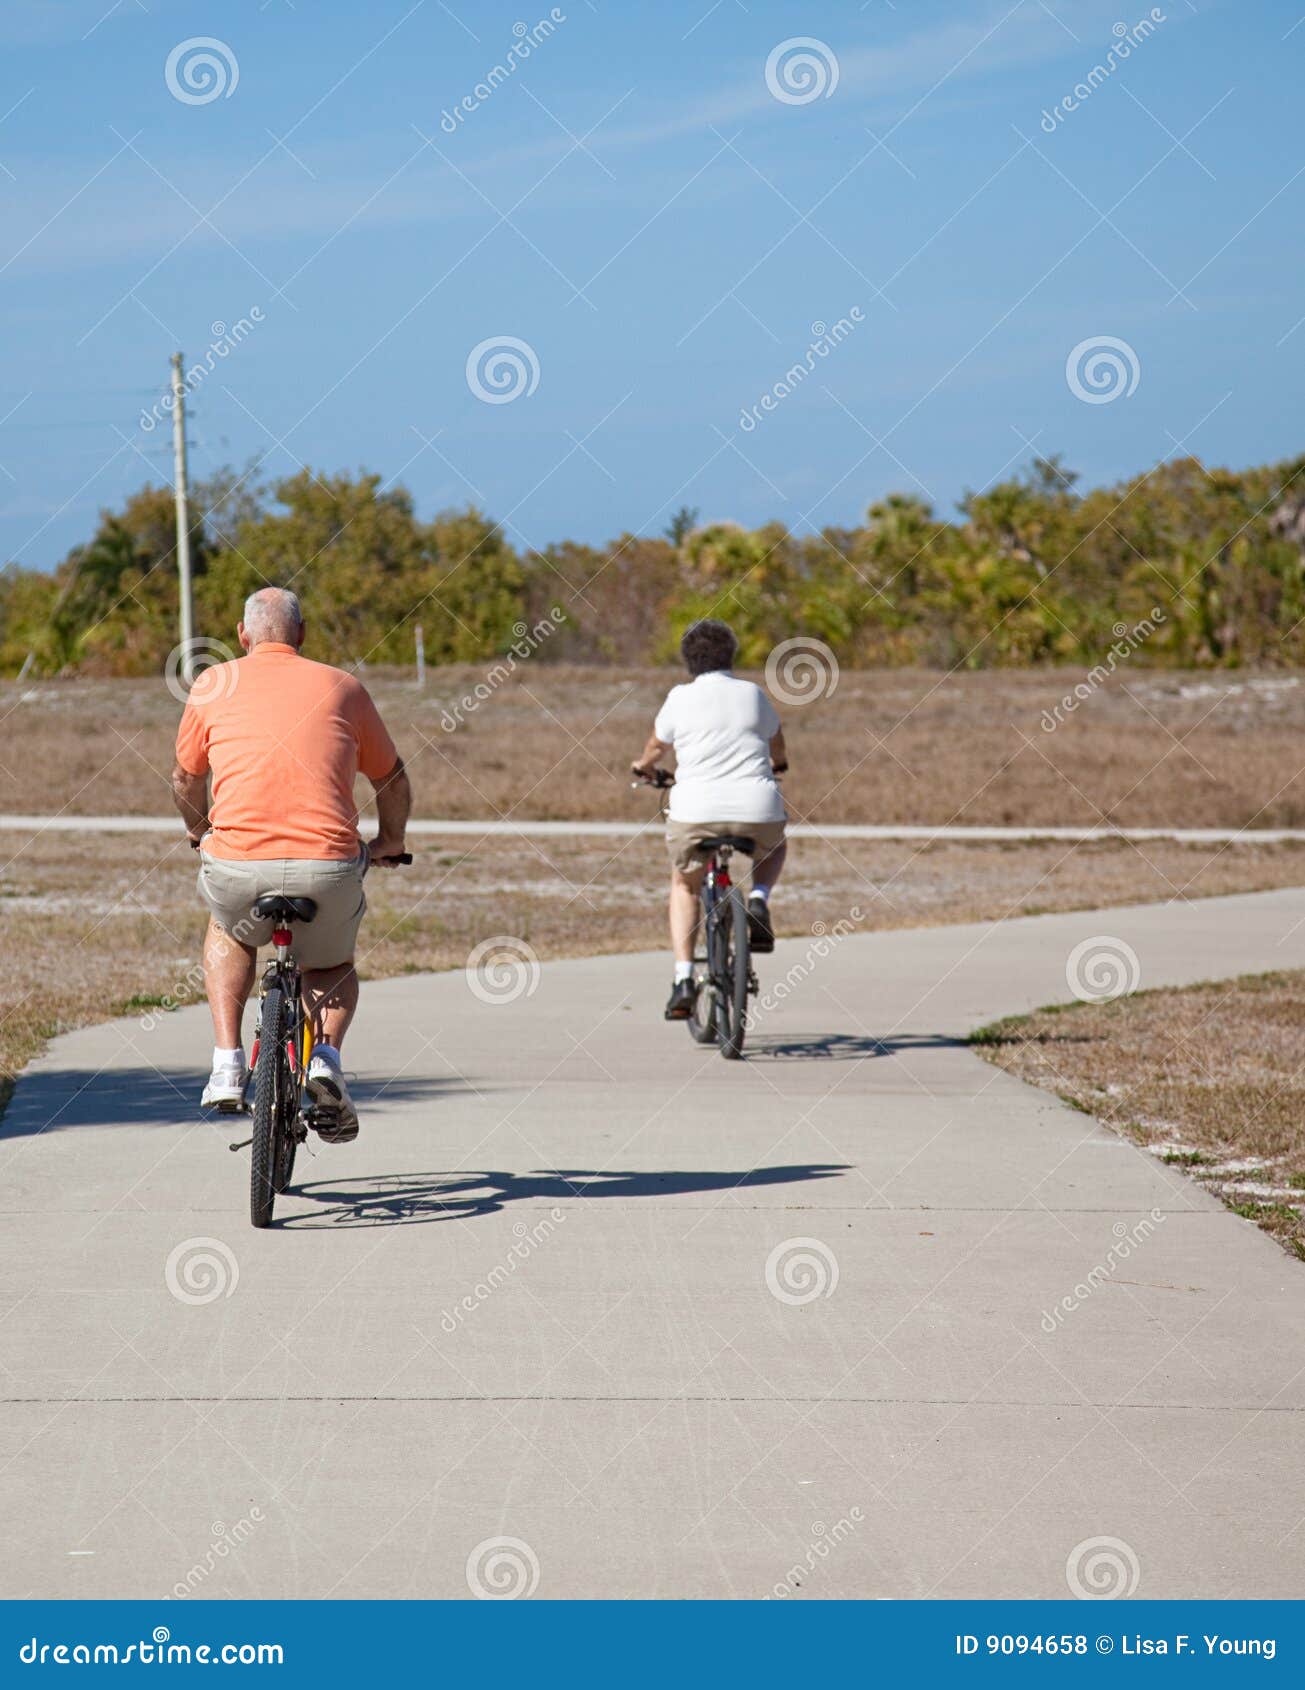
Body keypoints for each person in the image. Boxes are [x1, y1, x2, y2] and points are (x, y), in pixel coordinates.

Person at [170, 587, 411, 1142]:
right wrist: (390, 840)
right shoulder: (343, 687)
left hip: (237, 867)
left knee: (227, 929)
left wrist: (197, 828)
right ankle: (325, 1058)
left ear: (241, 635)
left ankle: (227, 1061)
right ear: (301, 634)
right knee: (330, 964)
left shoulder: (212, 683)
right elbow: (391, 779)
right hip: (326, 867)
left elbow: (186, 779)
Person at [631, 618, 787, 1020]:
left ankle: (683, 979)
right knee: (775, 842)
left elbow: (656, 745)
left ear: (689, 661)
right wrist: (779, 763)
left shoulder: (679, 698)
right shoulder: (753, 694)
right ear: (730, 656)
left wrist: (644, 767)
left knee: (685, 884)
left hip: (695, 812)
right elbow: (776, 740)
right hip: (756, 809)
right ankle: (758, 899)